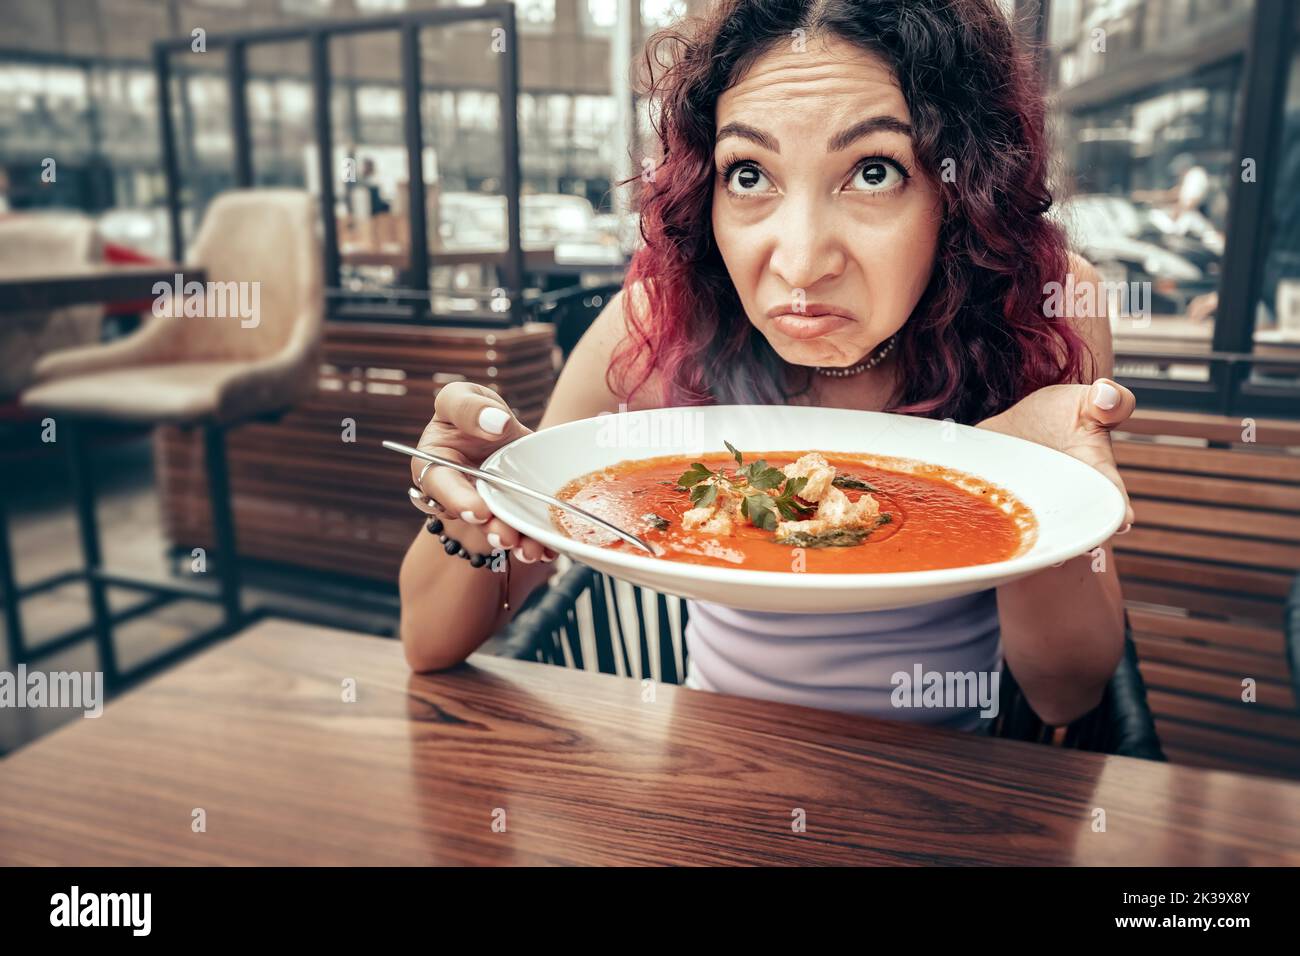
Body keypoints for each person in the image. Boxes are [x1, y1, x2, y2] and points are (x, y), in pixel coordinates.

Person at [398, 0, 1136, 731]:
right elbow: (430, 643)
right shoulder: (660, 320)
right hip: (708, 778)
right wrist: (480, 503)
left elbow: (1064, 694)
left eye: (873, 171)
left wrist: (1039, 486)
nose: (802, 262)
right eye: (749, 175)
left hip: (947, 789)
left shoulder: (1040, 305)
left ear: (962, 189)